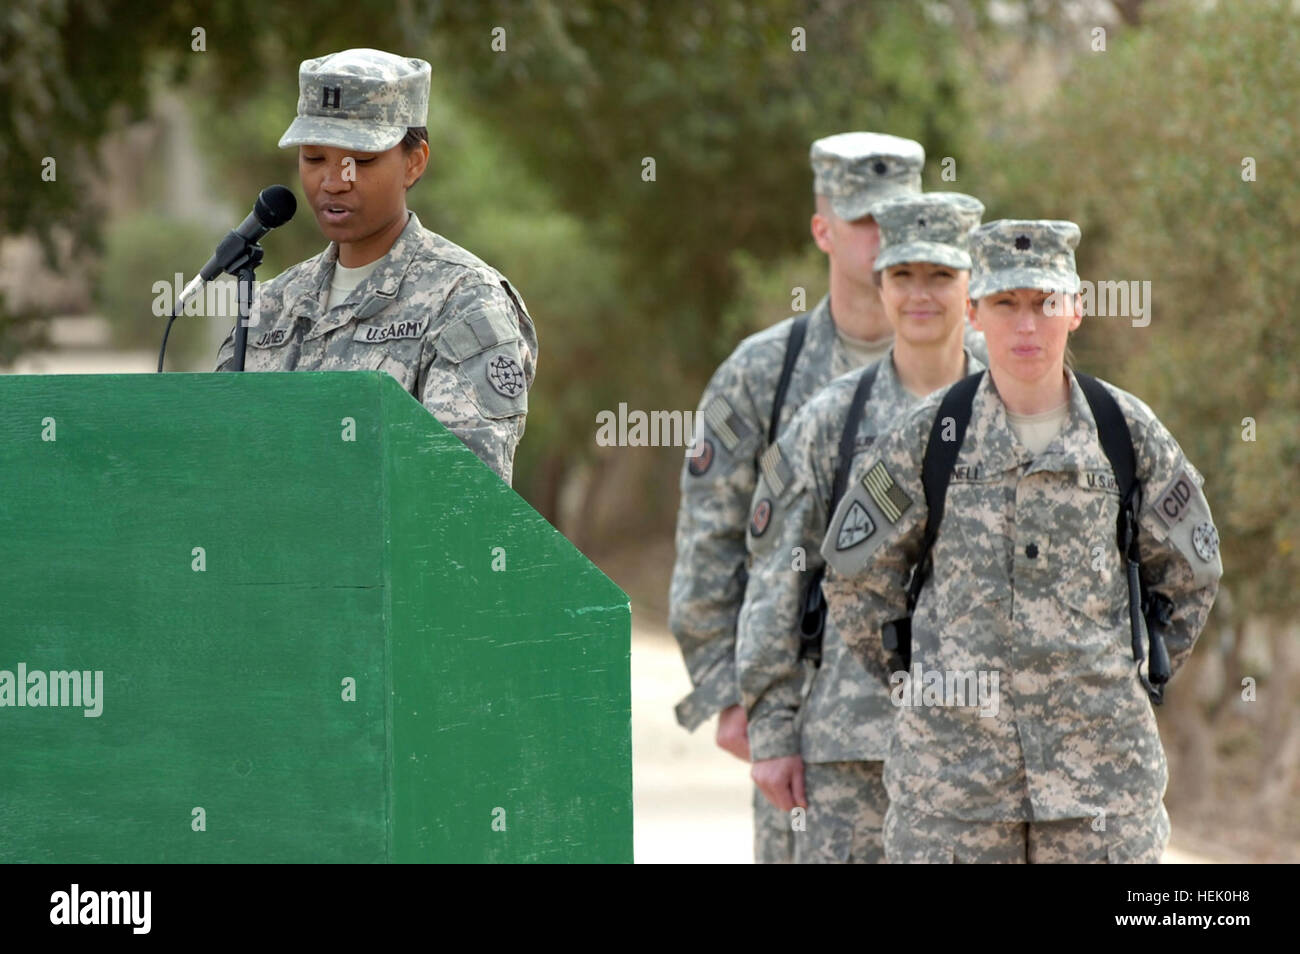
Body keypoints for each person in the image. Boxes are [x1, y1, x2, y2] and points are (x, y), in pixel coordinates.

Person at [819, 219, 1222, 863]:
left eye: (1045, 303)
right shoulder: (932, 435)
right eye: (1007, 304)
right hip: (952, 792)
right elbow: (853, 573)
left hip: (1101, 789)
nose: (1027, 325)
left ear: (1077, 309)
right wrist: (919, 679)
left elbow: (1191, 569)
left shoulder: (1125, 431)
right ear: (975, 311)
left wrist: (1127, 678)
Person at [668, 131, 928, 863]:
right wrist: (727, 693)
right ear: (823, 229)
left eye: (901, 221)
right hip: (813, 719)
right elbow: (711, 537)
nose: (885, 241)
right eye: (865, 222)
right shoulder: (763, 374)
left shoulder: (976, 368)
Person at [739, 192, 985, 863]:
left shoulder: (1015, 403)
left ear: (972, 287)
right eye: (903, 275)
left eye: (940, 275)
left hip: (987, 755)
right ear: (881, 285)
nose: (921, 294)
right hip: (852, 750)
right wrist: (773, 732)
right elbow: (776, 578)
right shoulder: (832, 419)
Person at [214, 48, 537, 485]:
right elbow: (218, 460)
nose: (333, 181)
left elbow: (463, 490)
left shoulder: (464, 301)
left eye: (360, 161)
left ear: (414, 162)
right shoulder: (271, 303)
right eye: (313, 158)